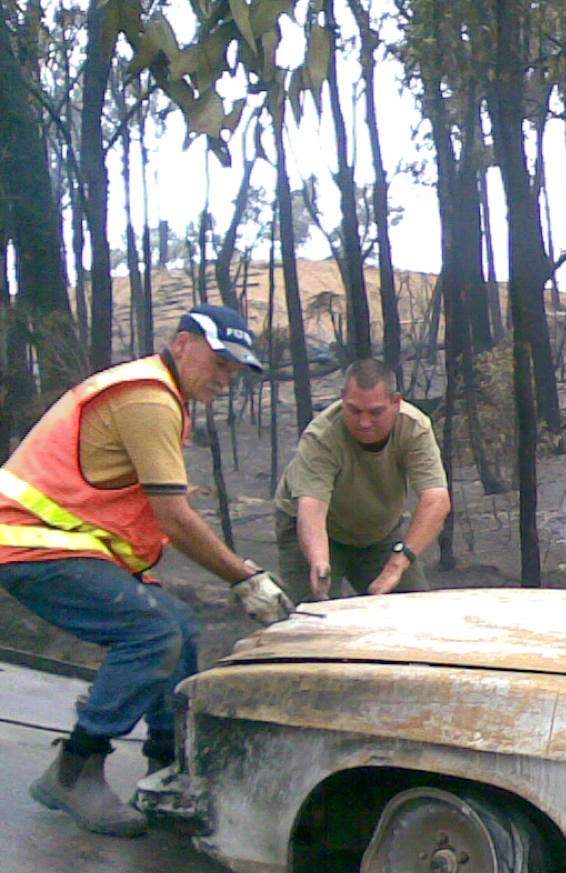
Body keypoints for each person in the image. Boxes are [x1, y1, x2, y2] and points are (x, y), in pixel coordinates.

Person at [0, 304, 293, 838]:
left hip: (70, 545)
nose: (226, 379)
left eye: (234, 370)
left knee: (177, 626)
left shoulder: (159, 394)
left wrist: (234, 568)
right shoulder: (149, 397)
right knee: (153, 630)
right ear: (183, 343)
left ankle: (169, 761)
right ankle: (75, 768)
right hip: (30, 546)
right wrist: (242, 577)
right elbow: (174, 518)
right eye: (220, 362)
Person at [274, 358, 450, 603]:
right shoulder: (321, 436)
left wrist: (398, 564)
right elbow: (311, 509)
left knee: (413, 611)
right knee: (313, 617)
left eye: (376, 412)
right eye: (354, 410)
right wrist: (319, 561)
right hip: (317, 529)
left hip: (378, 532)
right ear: (342, 399)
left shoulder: (414, 427)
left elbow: (437, 501)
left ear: (396, 403)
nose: (364, 423)